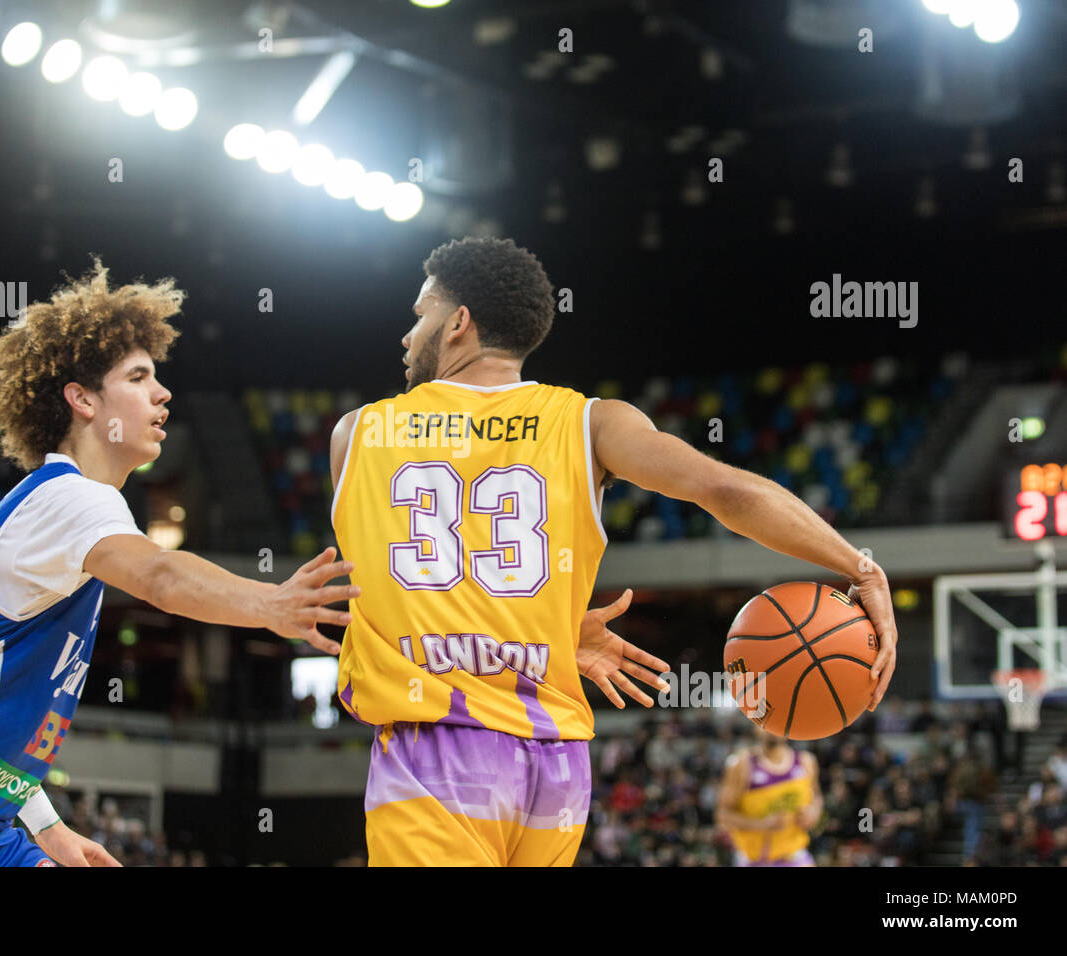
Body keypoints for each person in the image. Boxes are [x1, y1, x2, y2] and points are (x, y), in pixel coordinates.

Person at [329, 236, 898, 866]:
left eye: (420, 316)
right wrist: (858, 566)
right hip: (556, 760)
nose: (408, 337)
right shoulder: (591, 423)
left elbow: (391, 584)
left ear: (458, 322)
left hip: (436, 749)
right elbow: (726, 488)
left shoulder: (358, 435)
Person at [0, 260, 356, 867]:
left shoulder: (73, 514)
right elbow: (161, 575)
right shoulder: (70, 497)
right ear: (83, 400)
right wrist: (269, 603)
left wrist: (49, 828)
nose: (163, 393)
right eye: (138, 377)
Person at [716, 725, 822, 866]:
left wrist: (813, 813)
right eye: (768, 723)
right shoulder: (741, 765)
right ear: (755, 726)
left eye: (777, 723)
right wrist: (761, 824)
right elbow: (723, 816)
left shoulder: (806, 761)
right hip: (754, 860)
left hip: (795, 856)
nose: (773, 729)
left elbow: (817, 797)